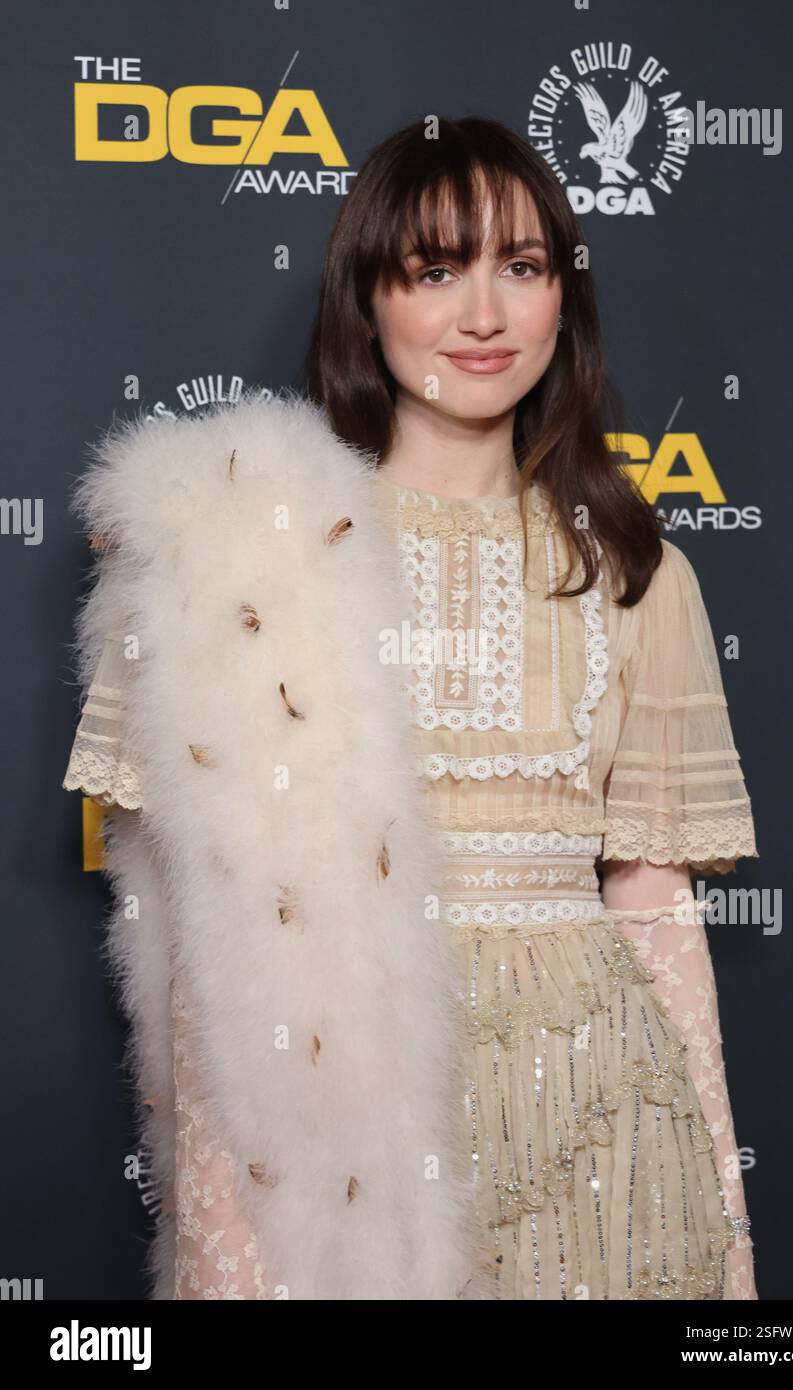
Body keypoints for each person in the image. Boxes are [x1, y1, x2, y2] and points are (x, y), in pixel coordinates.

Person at [63, 116, 758, 1299]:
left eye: (521, 268)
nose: (481, 315)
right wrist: (225, 1238)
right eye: (434, 270)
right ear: (366, 298)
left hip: (596, 1122)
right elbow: (193, 934)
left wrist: (716, 1226)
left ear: (561, 299)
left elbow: (652, 906)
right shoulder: (243, 551)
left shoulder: (638, 567)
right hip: (343, 1125)